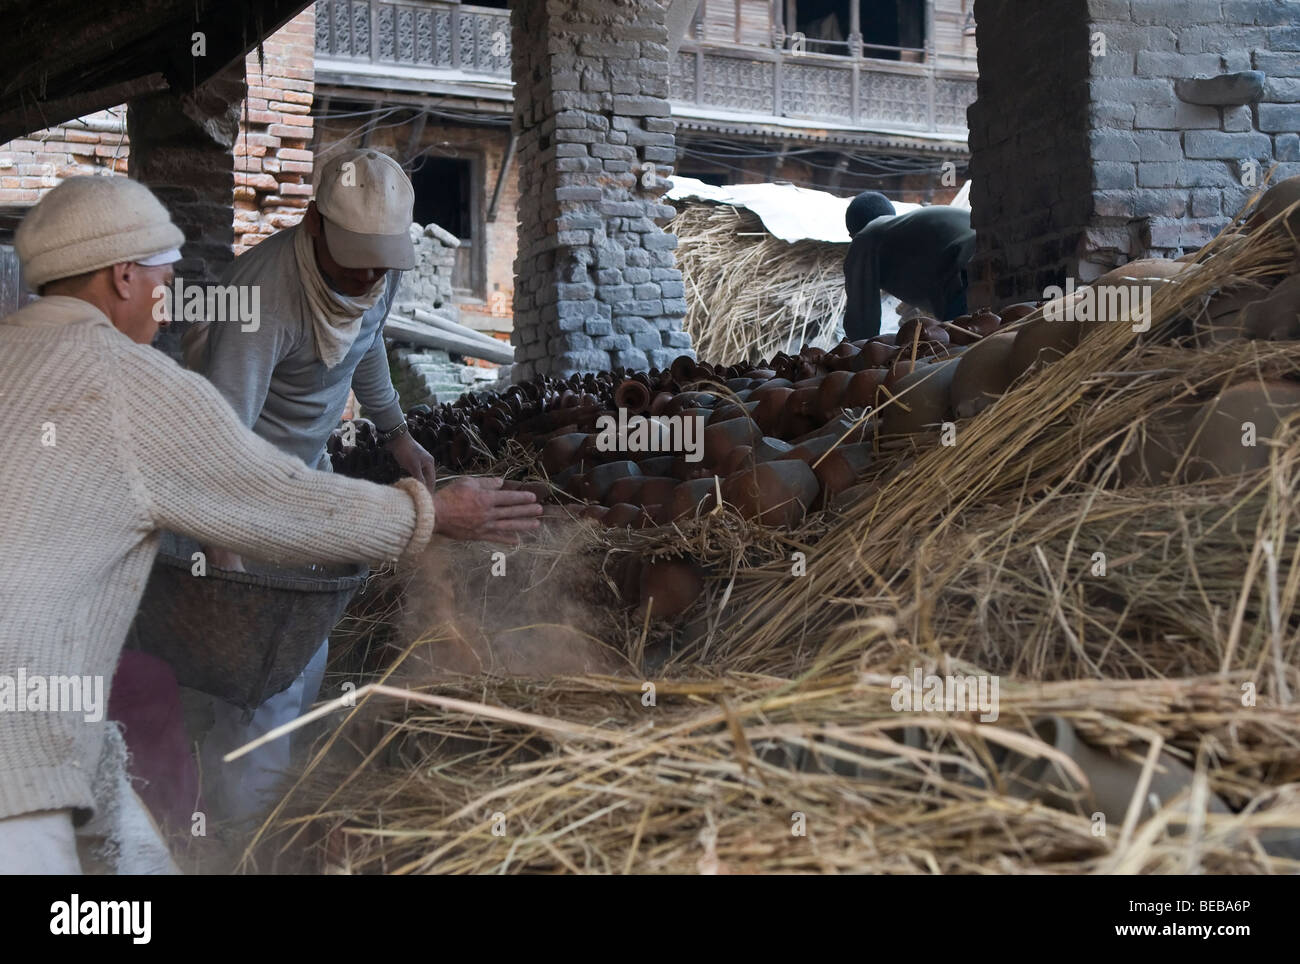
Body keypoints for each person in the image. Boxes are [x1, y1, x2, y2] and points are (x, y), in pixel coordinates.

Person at [0, 174, 541, 873]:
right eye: (164, 286)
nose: (168, 314)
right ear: (123, 275)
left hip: (56, 725)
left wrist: (397, 433)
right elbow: (260, 489)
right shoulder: (135, 381)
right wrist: (426, 514)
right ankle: (247, 841)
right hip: (22, 758)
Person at [180, 148, 512, 824]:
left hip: (310, 479)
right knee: (258, 685)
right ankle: (235, 840)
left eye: (379, 264)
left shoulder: (375, 274)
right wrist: (230, 569)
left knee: (305, 663)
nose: (366, 277)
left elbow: (366, 347)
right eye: (354, 259)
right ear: (313, 225)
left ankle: (271, 816)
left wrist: (397, 434)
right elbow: (218, 445)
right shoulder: (262, 299)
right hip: (243, 491)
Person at [842, 189, 977, 340]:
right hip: (994, 260)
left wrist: (859, 354)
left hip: (968, 273)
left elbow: (861, 321)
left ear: (852, 235)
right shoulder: (906, 230)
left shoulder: (866, 238)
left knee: (960, 348)